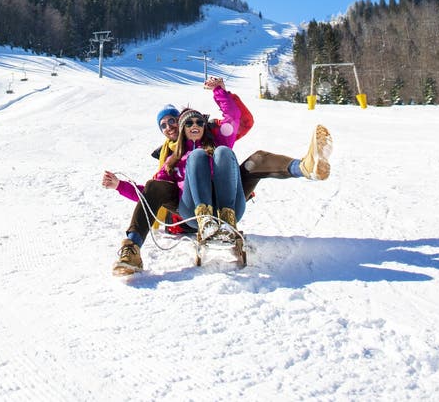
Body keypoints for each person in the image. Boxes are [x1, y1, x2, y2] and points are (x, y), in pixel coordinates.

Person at [104, 78, 333, 274]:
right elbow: (149, 194)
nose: (190, 125)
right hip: (192, 211)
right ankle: (132, 249)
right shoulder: (172, 159)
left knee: (248, 158)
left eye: (197, 122)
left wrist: (219, 91)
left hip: (229, 204)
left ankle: (306, 167)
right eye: (185, 123)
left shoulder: (218, 140)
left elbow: (233, 116)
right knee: (165, 179)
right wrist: (119, 185)